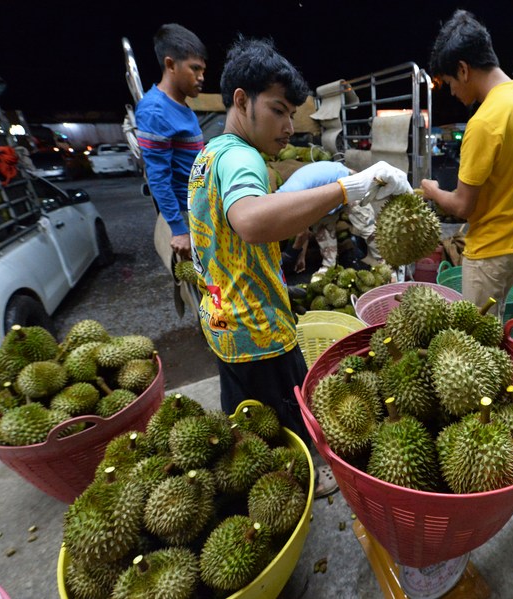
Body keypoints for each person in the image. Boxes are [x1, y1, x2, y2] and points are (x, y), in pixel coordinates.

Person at [187, 35, 411, 496]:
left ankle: (263, 484)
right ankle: (303, 480)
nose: (289, 125)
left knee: (247, 425)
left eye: (293, 112)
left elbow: (241, 226)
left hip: (223, 321)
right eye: (278, 110)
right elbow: (249, 221)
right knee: (289, 421)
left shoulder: (210, 156)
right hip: (260, 330)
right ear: (242, 101)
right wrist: (347, 189)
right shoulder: (242, 157)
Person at [420, 10, 513, 320]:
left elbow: (462, 207)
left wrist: (433, 191)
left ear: (463, 69)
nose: (452, 91)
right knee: (494, 324)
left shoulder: (485, 121)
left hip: (490, 248)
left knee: (473, 345)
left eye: (449, 82)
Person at [136, 24, 207, 259]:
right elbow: (158, 176)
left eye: (203, 71)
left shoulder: (182, 105)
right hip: (188, 215)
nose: (201, 78)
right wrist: (179, 229)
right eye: (194, 69)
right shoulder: (155, 111)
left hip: (202, 206)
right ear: (170, 65)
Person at [277, 160, 382, 274]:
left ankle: (387, 264)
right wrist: (302, 257)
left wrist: (291, 254)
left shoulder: (290, 199)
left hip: (347, 181)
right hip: (325, 196)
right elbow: (305, 228)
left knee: (366, 226)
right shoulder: (282, 196)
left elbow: (302, 233)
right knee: (322, 226)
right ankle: (329, 267)